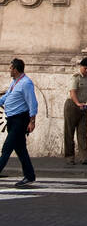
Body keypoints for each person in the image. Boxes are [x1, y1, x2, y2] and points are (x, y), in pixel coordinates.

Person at [0, 58, 38, 186]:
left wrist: (32, 121)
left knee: (6, 148)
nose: (9, 70)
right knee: (21, 149)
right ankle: (29, 176)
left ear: (15, 69)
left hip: (20, 120)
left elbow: (32, 102)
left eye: (10, 68)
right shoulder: (15, 82)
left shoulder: (26, 83)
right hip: (11, 119)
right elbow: (7, 96)